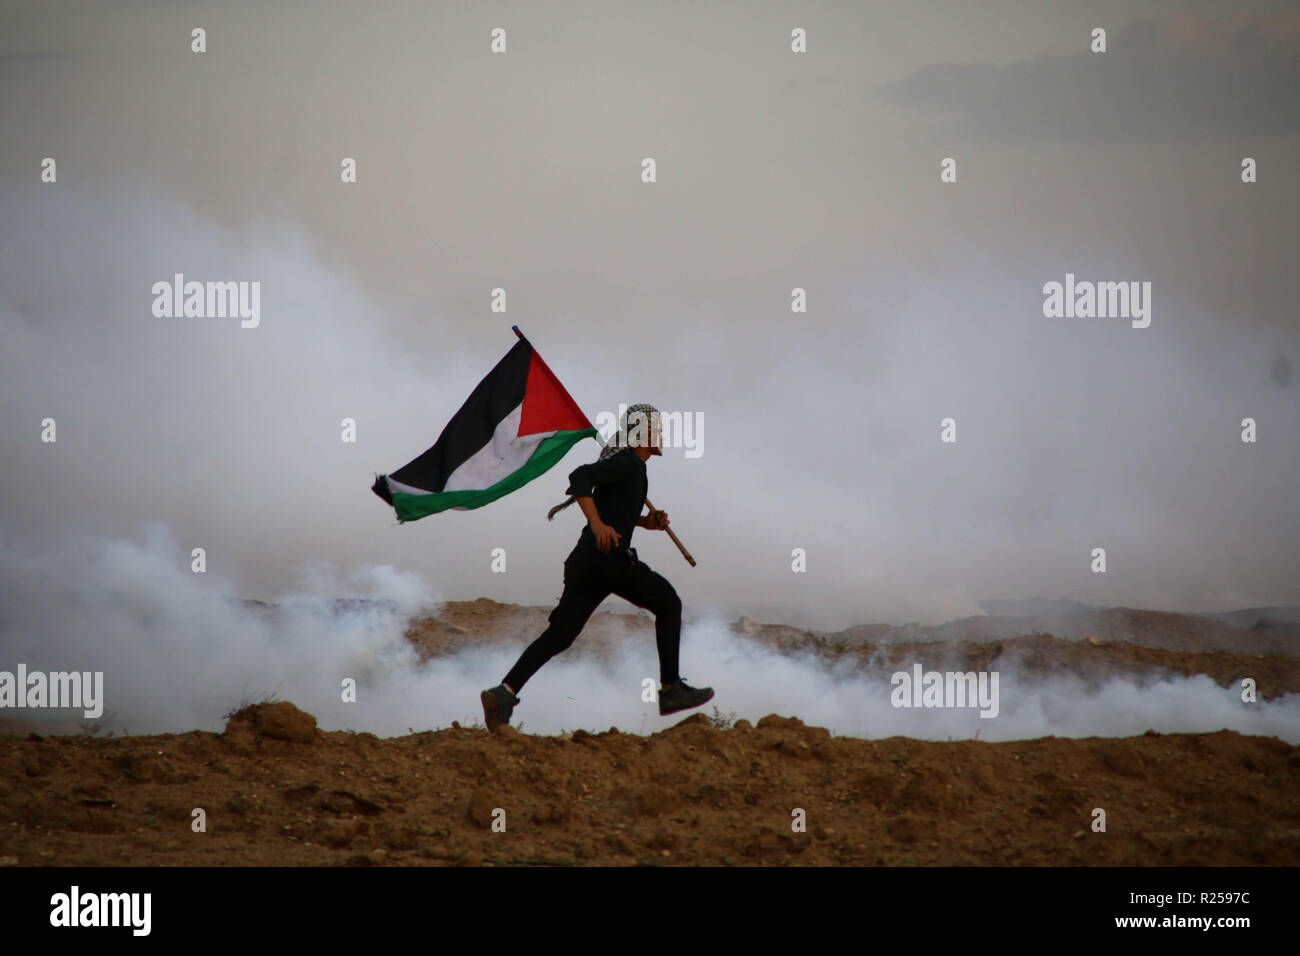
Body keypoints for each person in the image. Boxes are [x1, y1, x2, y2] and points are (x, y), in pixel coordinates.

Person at [481, 404, 713, 731]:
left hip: (587, 562)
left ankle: (503, 693)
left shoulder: (633, 468)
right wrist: (598, 525)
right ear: (642, 435)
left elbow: (615, 511)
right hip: (608, 559)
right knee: (669, 603)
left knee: (560, 635)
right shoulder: (628, 463)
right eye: (657, 430)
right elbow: (580, 478)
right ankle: (671, 689)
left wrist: (648, 522)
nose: (662, 436)